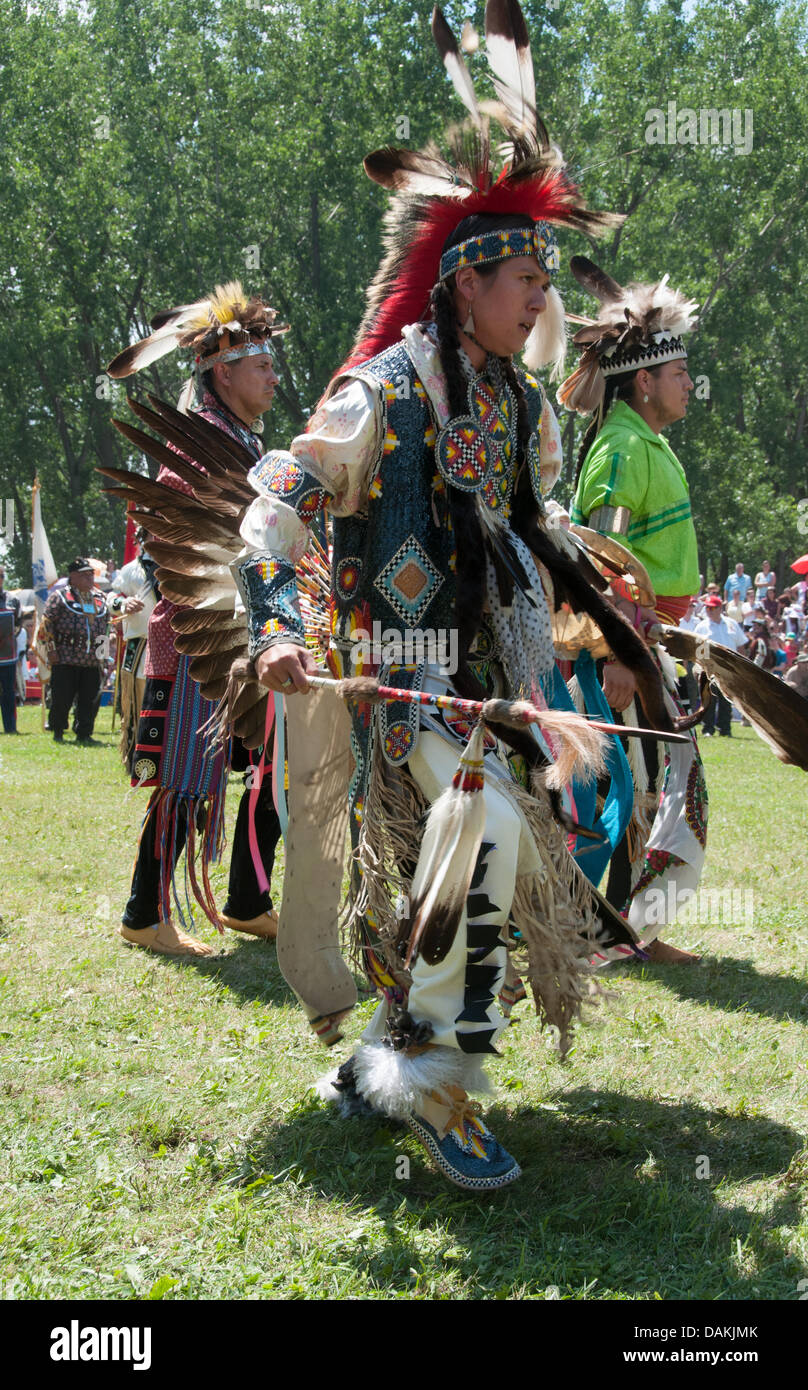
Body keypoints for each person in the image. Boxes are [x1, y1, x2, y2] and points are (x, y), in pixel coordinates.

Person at [229, 2, 653, 1189]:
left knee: (486, 863)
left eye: (544, 280)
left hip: (490, 685)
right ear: (467, 282)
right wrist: (276, 626)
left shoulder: (517, 406)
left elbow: (524, 531)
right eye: (525, 278)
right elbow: (276, 502)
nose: (540, 301)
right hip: (393, 679)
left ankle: (384, 1054)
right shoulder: (383, 391)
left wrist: (603, 601)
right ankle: (437, 1083)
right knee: (482, 839)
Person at [106, 283, 288, 958]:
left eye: (273, 364)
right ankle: (143, 914)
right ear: (223, 370)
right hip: (195, 636)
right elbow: (170, 544)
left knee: (268, 764)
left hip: (241, 635)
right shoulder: (203, 440)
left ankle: (246, 899)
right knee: (189, 777)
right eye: (261, 364)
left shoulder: (240, 437)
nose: (273, 376)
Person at [562, 256, 706, 964]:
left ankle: (634, 928)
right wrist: (617, 654)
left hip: (652, 639)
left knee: (653, 782)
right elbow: (601, 558)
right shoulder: (621, 447)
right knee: (631, 784)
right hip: (625, 646)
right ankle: (608, 929)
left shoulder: (646, 444)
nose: (687, 384)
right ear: (642, 379)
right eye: (677, 373)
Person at [38, 558, 108, 744]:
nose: (89, 578)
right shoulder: (59, 597)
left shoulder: (100, 599)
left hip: (91, 660)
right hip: (65, 657)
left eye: (91, 574)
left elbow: (104, 628)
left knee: (89, 698)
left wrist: (103, 656)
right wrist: (51, 650)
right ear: (73, 577)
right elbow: (47, 625)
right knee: (62, 697)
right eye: (84, 575)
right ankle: (58, 730)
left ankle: (84, 733)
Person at [106, 535, 158, 773]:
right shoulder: (130, 570)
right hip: (140, 643)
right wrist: (123, 605)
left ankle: (168, 756)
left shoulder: (178, 564)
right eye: (151, 531)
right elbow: (112, 595)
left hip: (174, 643)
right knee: (139, 698)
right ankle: (136, 755)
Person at [694, 595, 747, 736]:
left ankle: (725, 729)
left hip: (729, 668)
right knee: (709, 700)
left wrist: (743, 665)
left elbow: (741, 645)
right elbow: (698, 650)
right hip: (709, 667)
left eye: (712, 608)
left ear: (720, 608)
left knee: (727, 700)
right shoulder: (702, 626)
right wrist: (699, 668)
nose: (709, 611)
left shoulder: (731, 624)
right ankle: (708, 729)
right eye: (707, 608)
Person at [0, 566, 22, 734]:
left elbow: (19, 624)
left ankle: (10, 727)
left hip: (8, 656)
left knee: (9, 692)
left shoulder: (12, 599)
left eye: (1, 576)